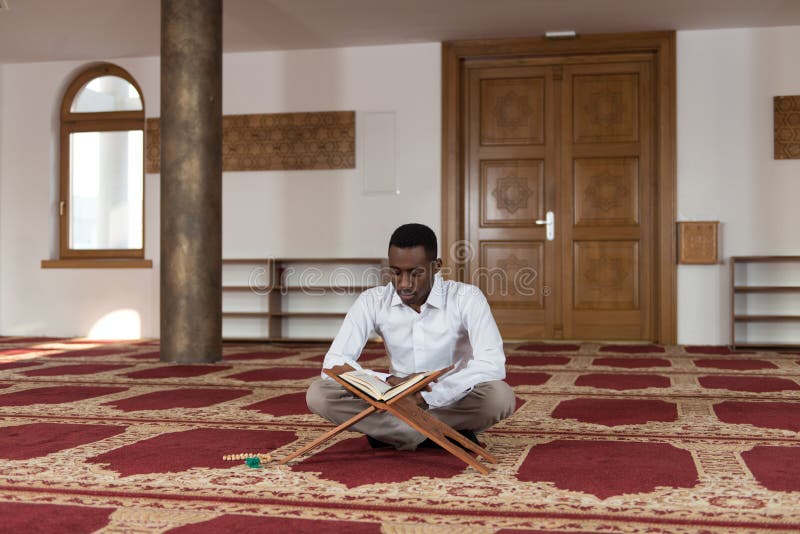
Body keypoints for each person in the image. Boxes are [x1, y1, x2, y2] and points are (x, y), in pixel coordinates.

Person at [306, 223, 515, 450]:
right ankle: (439, 433)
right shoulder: (372, 300)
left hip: (452, 398)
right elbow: (334, 361)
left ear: (436, 266)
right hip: (393, 399)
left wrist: (428, 397)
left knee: (499, 397)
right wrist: (386, 382)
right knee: (318, 393)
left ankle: (395, 432)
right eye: (396, 272)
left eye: (416, 273)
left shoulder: (467, 298)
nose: (404, 283)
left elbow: (491, 363)